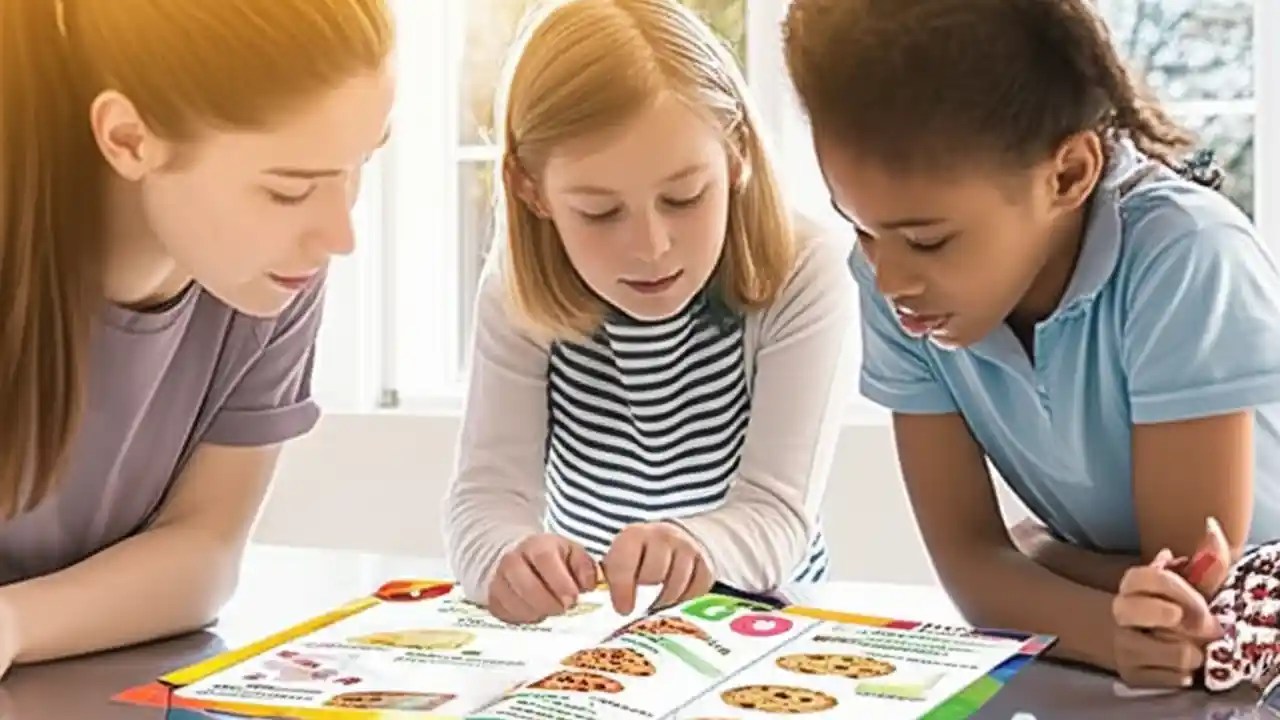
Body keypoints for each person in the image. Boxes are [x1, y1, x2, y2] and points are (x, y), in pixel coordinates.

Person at [783, 0, 1280, 690]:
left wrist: (1043, 552)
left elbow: (1188, 595)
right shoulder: (893, 285)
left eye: (929, 240)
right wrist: (1102, 623)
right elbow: (970, 567)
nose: (890, 277)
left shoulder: (1186, 258)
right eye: (862, 229)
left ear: (1069, 174)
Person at [0, 0, 394, 676]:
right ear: (128, 139)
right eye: (289, 192)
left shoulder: (270, 282)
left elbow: (204, 552)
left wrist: (12, 625)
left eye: (358, 168)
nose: (341, 237)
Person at [443, 0, 855, 624]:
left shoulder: (803, 270)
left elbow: (776, 515)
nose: (651, 247)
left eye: (685, 197)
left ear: (736, 154)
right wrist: (506, 558)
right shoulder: (516, 290)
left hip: (767, 619)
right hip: (590, 629)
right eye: (600, 212)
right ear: (531, 189)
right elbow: (485, 497)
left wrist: (696, 547)